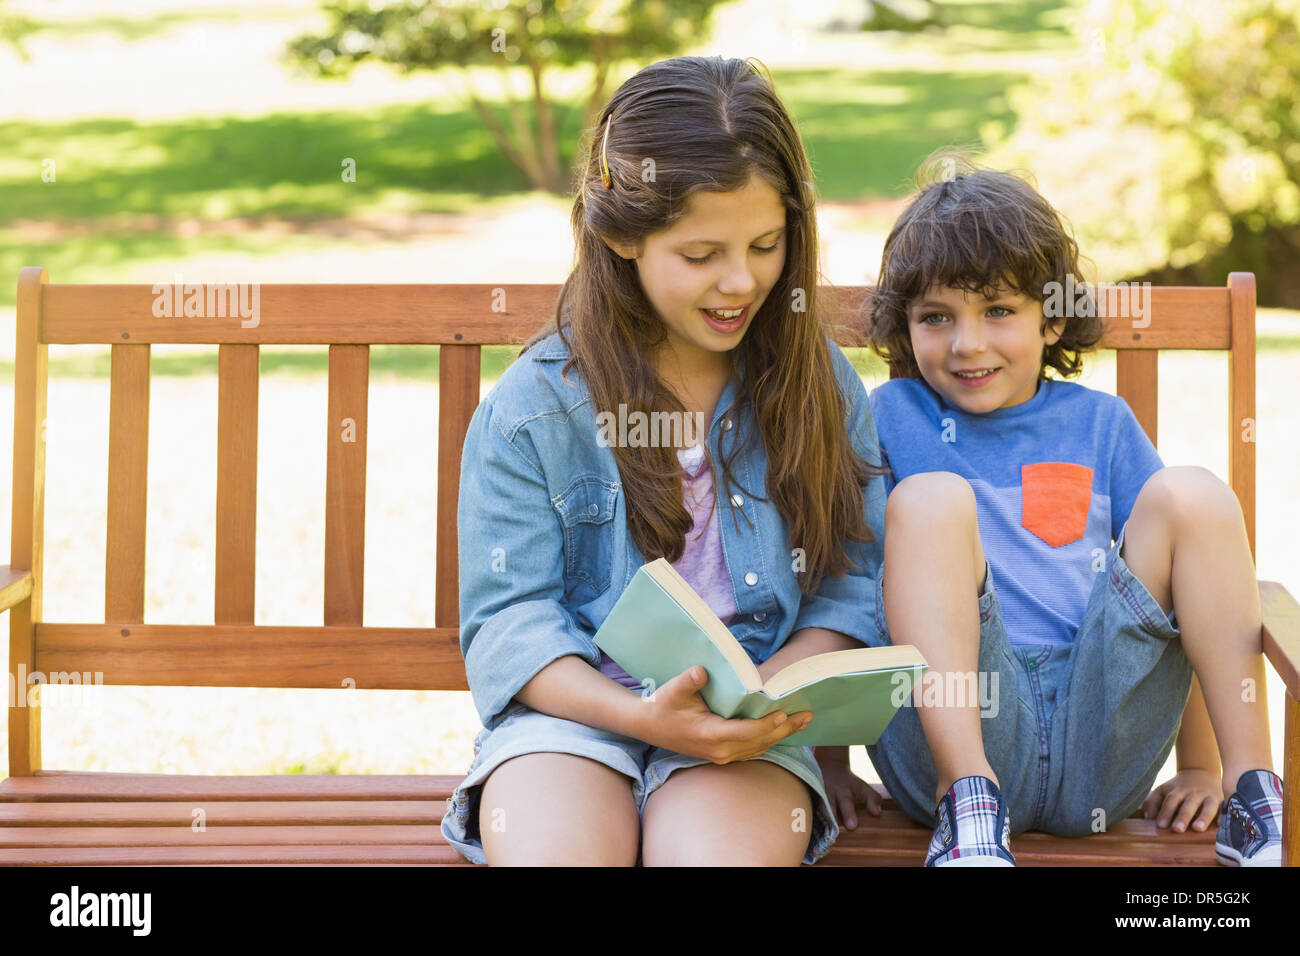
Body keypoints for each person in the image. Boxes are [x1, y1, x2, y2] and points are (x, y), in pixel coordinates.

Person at [441, 55, 889, 866]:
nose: (741, 281)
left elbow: (851, 581)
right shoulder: (536, 410)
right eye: (700, 254)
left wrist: (770, 692)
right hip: (570, 721)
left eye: (765, 243)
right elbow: (510, 621)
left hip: (744, 730)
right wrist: (645, 718)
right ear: (618, 234)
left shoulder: (816, 384)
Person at [817, 155, 1285, 867]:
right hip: (951, 737)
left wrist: (1200, 766)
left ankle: (1253, 792)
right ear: (904, 326)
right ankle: (969, 804)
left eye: (999, 310)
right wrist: (825, 760)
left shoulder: (1101, 424)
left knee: (1191, 493)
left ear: (1052, 318)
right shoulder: (887, 418)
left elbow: (1184, 601)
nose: (967, 343)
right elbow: (842, 582)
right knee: (931, 500)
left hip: (1101, 733)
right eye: (936, 317)